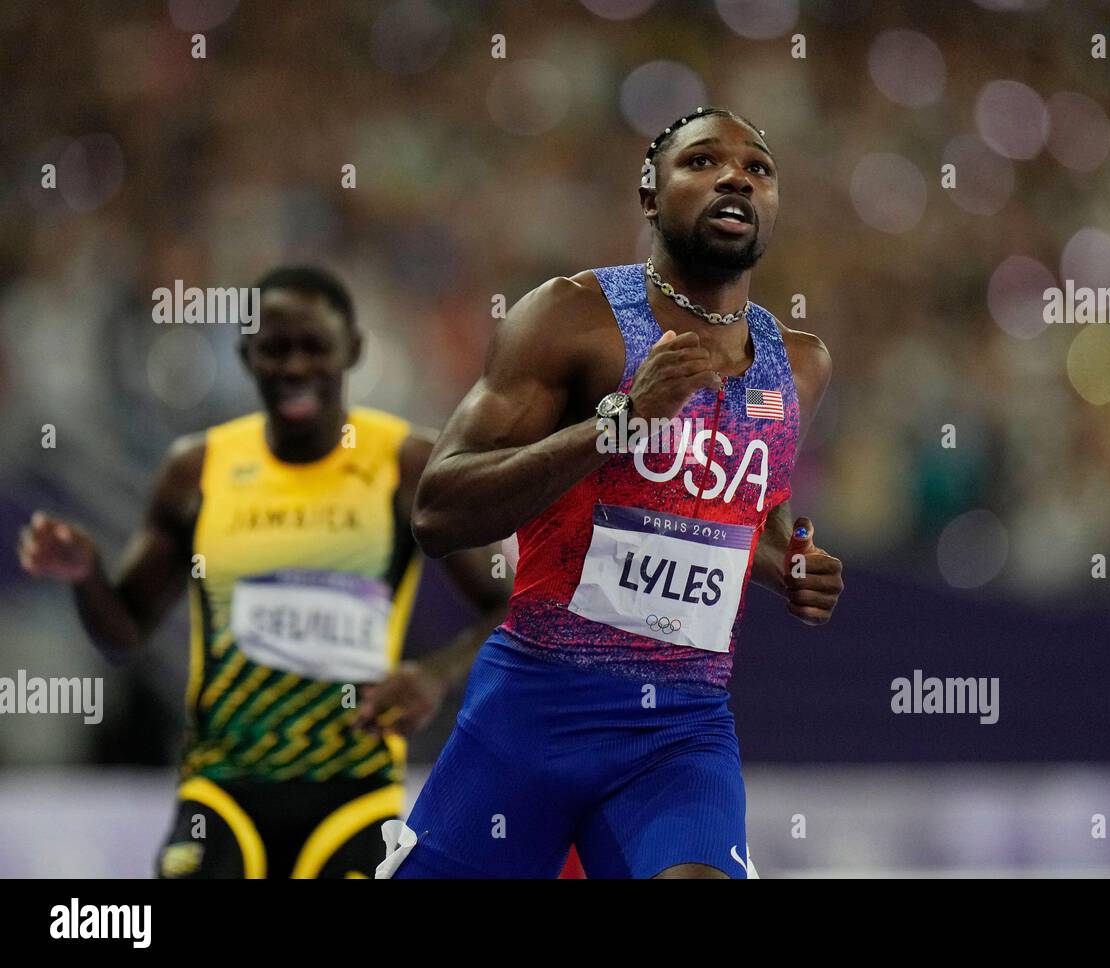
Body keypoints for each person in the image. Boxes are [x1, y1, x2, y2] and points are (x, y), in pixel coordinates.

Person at [385, 108, 844, 879]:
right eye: (702, 161)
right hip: (533, 711)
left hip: (682, 727)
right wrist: (623, 422)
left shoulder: (799, 365)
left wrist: (787, 563)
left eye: (758, 169)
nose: (736, 176)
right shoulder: (573, 318)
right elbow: (440, 509)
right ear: (650, 194)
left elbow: (747, 507)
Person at [17, 266, 507, 878]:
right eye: (276, 349)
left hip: (353, 792)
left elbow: (513, 605)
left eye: (314, 348)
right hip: (222, 789)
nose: (295, 368)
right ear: (247, 354)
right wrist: (86, 574)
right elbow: (123, 633)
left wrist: (435, 675)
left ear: (351, 350)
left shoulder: (406, 464)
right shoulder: (196, 470)